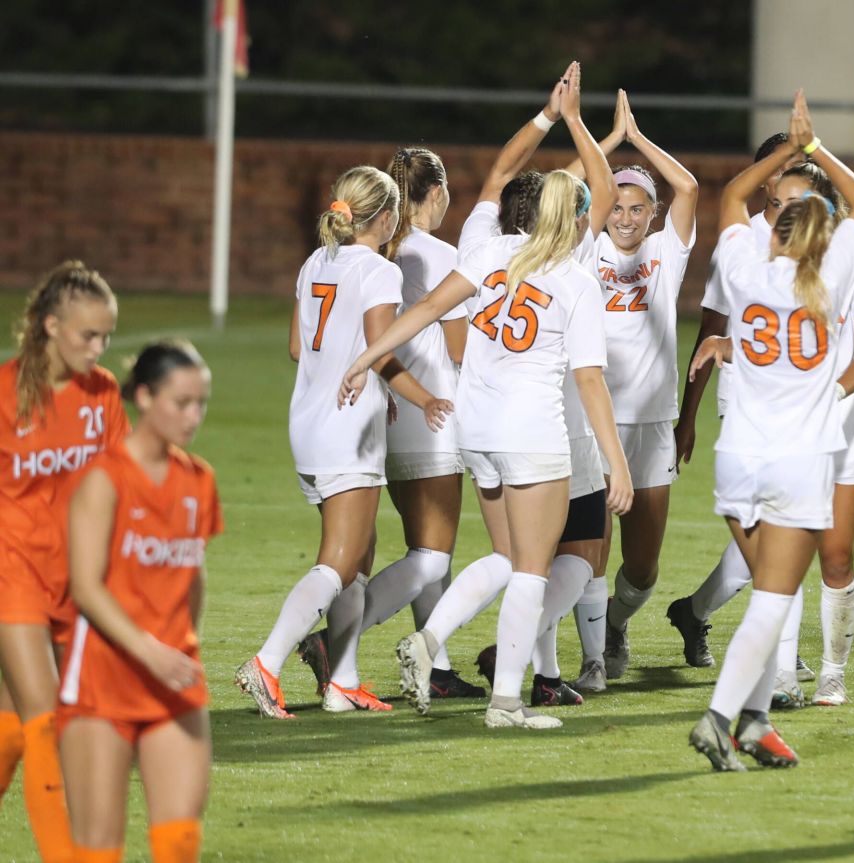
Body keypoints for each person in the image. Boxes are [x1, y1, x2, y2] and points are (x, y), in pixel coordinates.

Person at [342, 62, 633, 730]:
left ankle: (429, 640)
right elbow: (589, 380)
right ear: (575, 219)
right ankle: (506, 701)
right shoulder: (575, 276)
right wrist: (616, 464)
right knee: (532, 569)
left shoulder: (488, 251)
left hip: (476, 433)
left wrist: (366, 357)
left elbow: (424, 312)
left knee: (506, 558)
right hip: (534, 434)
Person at [685, 89, 854, 771]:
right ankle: (720, 719)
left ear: (773, 228)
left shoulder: (744, 269)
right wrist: (816, 146)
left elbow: (731, 197)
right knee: (775, 596)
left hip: (738, 455)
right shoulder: (834, 275)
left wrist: (786, 153)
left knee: (772, 590)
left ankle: (756, 720)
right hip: (799, 460)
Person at [669, 160, 854, 710]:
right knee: (778, 573)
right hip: (791, 439)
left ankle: (823, 677)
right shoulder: (763, 269)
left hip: (837, 428)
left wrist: (821, 395)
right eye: (775, 206)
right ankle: (776, 683)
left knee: (828, 560)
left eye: (795, 208)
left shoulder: (852, 270)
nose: (779, 218)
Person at [235, 165, 450, 718]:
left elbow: (296, 347)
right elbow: (381, 352)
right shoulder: (378, 270)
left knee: (358, 558)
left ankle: (343, 682)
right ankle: (266, 663)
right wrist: (425, 398)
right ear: (388, 217)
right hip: (346, 427)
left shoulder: (316, 261)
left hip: (309, 421)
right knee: (338, 562)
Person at [296, 146, 485, 701]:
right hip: (429, 410)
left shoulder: (366, 251)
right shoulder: (438, 254)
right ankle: (332, 641)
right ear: (437, 193)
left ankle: (436, 667)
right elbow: (459, 349)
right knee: (432, 555)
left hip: (382, 411)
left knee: (418, 548)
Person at [59, 341, 220, 863]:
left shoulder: (199, 480)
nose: (193, 416)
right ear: (145, 397)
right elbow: (86, 588)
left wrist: (182, 644)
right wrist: (149, 650)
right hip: (103, 682)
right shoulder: (103, 478)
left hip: (173, 679)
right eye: (181, 403)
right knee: (97, 851)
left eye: (201, 403)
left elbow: (192, 575)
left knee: (178, 845)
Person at [564, 88, 699, 690]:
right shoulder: (584, 246)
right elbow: (561, 190)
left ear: (652, 213)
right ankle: (593, 660)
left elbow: (689, 188)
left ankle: (615, 624)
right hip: (592, 419)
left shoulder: (666, 252)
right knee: (591, 550)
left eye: (637, 208)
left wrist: (637, 139)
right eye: (615, 206)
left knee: (642, 568)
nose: (624, 217)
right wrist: (608, 143)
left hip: (650, 425)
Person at [668, 135, 811, 684]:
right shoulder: (742, 238)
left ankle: (696, 612)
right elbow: (712, 330)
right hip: (746, 397)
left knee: (776, 528)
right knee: (775, 525)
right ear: (763, 177)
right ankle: (780, 652)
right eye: (783, 169)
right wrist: (688, 417)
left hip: (795, 401)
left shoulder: (815, 239)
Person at [0, 261, 125, 862]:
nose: (98, 349)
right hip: (13, 573)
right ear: (50, 326)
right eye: (88, 336)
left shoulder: (102, 393)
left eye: (106, 337)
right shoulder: (5, 393)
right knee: (49, 722)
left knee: (12, 724)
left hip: (75, 581)